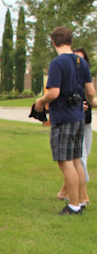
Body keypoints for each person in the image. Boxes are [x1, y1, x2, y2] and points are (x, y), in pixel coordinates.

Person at [35, 26, 97, 215]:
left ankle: (73, 206)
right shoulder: (81, 62)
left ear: (54, 42)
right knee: (76, 160)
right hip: (78, 117)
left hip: (63, 117)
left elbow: (54, 92)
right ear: (70, 41)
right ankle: (81, 200)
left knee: (65, 162)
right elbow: (91, 91)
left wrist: (40, 101)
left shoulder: (57, 63)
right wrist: (91, 102)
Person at [57, 47, 92, 206]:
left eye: (81, 59)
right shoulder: (67, 77)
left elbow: (91, 96)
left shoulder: (85, 78)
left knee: (80, 158)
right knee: (78, 159)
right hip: (73, 121)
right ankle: (82, 197)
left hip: (85, 121)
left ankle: (66, 192)